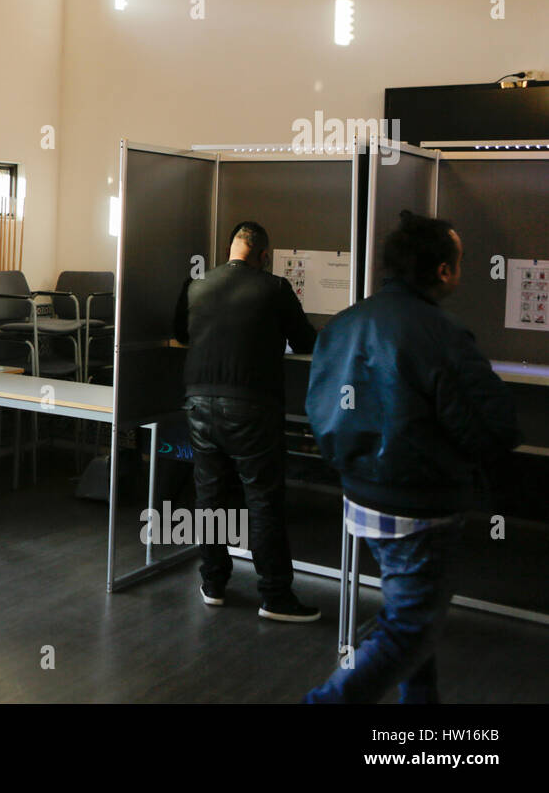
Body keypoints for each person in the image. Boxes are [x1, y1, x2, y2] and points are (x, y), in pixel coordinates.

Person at [303, 212, 519, 703]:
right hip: (418, 509)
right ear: (444, 271)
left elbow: (321, 406)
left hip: (361, 497)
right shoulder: (442, 334)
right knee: (409, 629)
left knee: (410, 615)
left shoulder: (345, 323)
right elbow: (491, 426)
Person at [173, 220, 320, 621]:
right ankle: (274, 596)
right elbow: (307, 341)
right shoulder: (274, 288)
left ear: (229, 251)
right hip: (252, 406)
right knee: (263, 500)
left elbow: (180, 334)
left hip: (199, 403)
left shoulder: (197, 284)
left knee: (209, 497)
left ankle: (214, 583)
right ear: (264, 256)